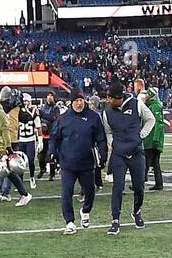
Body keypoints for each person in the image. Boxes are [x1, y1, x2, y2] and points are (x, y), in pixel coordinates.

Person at [101, 80, 154, 234]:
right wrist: (112, 143)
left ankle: (136, 211)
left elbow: (151, 119)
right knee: (118, 187)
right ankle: (115, 220)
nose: (108, 100)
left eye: (111, 98)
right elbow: (108, 131)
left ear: (119, 98)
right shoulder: (107, 111)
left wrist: (141, 135)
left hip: (136, 152)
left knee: (139, 187)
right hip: (119, 154)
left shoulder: (137, 104)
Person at [50, 91, 106, 234]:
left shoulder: (94, 117)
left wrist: (103, 155)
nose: (79, 103)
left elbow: (101, 138)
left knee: (90, 192)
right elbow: (54, 138)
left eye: (81, 100)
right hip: (67, 164)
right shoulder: (63, 119)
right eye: (76, 101)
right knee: (66, 192)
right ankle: (69, 222)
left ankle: (85, 211)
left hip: (87, 163)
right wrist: (52, 153)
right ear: (71, 102)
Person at [140, 86, 165, 190]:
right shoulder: (151, 105)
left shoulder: (154, 106)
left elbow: (158, 124)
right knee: (155, 163)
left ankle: (139, 184)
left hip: (152, 140)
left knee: (145, 162)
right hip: (151, 139)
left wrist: (155, 139)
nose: (146, 96)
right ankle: (159, 183)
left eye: (147, 94)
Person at [38, 92, 62, 180]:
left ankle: (52, 174)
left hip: (52, 133)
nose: (49, 98)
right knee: (41, 154)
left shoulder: (56, 108)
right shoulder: (43, 108)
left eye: (51, 96)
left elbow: (53, 117)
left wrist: (42, 114)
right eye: (48, 96)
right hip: (43, 134)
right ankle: (42, 169)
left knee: (51, 154)